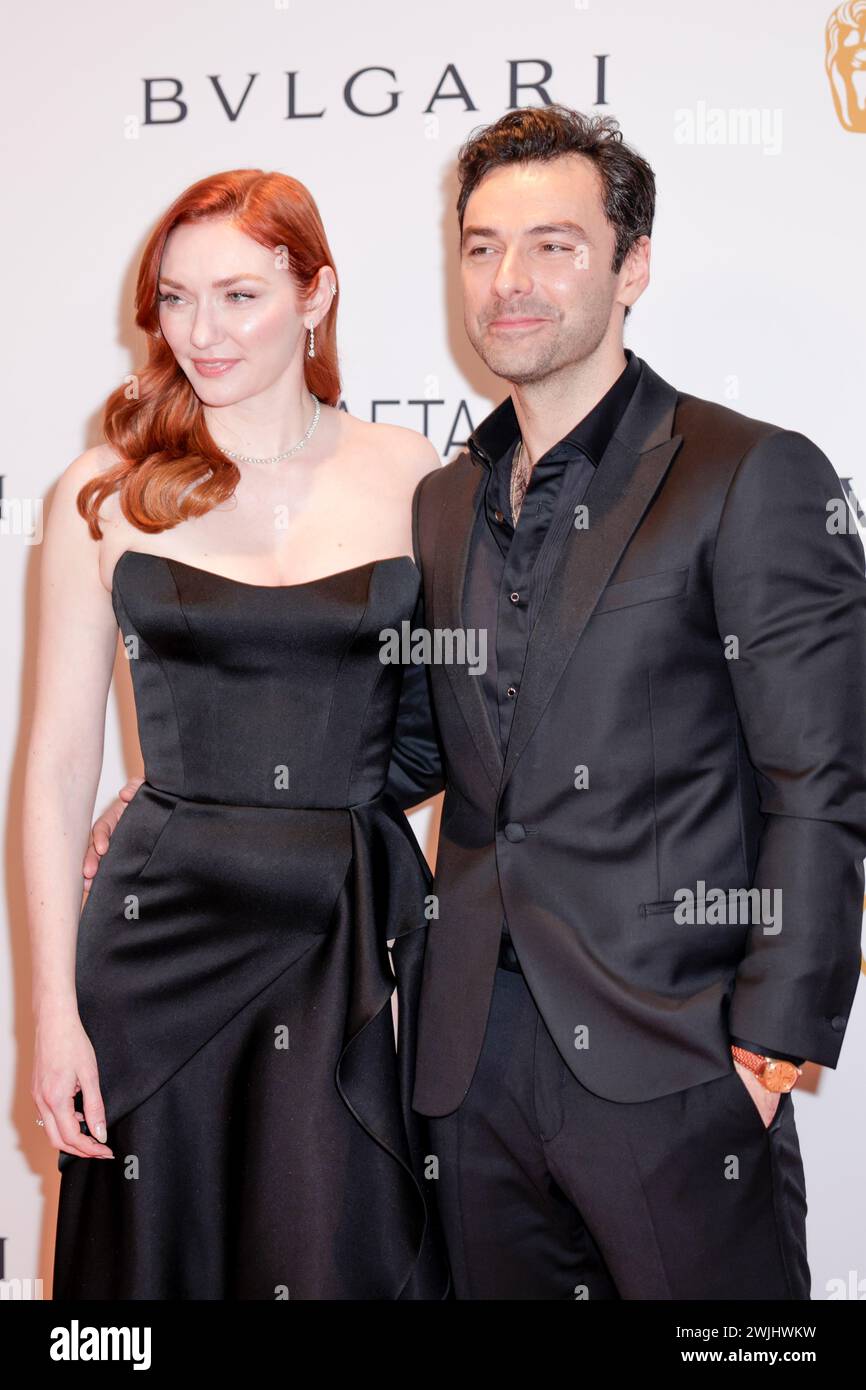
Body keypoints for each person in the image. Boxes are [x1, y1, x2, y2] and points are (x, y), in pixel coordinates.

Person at [88, 107, 866, 1300]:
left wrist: (768, 1045)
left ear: (631, 264)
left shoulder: (745, 472)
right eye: (481, 246)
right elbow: (402, 746)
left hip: (676, 1065)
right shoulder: (443, 502)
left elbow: (822, 775)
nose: (510, 280)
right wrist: (195, 791)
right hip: (466, 1070)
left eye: (553, 244)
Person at [24, 168, 449, 1300]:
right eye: (173, 299)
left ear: (315, 295)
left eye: (238, 297)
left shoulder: (416, 483)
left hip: (346, 942)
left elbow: (461, 735)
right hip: (157, 945)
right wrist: (52, 1016)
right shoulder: (103, 495)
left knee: (337, 1246)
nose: (199, 333)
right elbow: (58, 763)